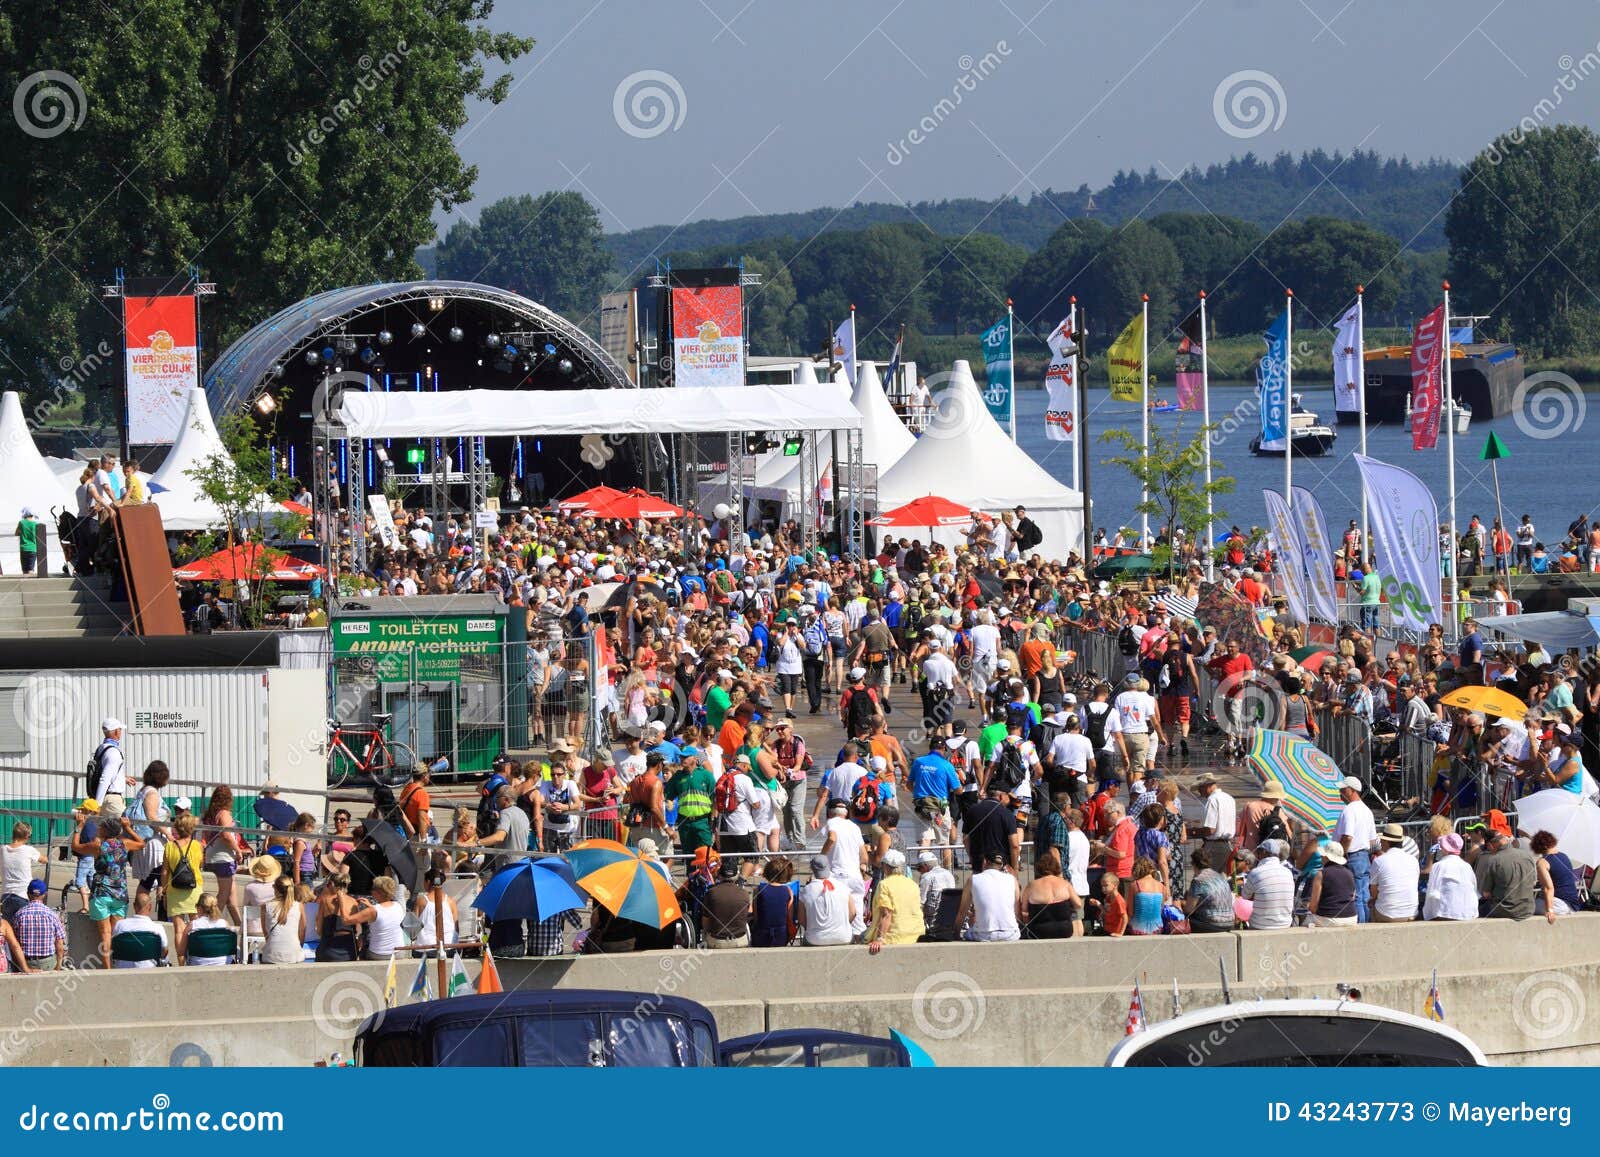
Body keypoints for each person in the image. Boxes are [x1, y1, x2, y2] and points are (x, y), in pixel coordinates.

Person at [73, 801, 145, 968]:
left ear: (105, 831)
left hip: (100, 893)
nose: (98, 828)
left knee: (105, 934)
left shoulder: (98, 846)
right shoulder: (124, 844)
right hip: (120, 893)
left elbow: (76, 846)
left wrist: (80, 826)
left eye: (101, 827)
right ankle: (119, 963)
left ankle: (108, 968)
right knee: (115, 934)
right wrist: (127, 828)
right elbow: (141, 844)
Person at [1332, 776, 1377, 921]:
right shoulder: (1367, 810)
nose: (1340, 793)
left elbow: (1348, 837)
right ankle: (1366, 925)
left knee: (1356, 897)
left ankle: (1361, 928)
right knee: (1363, 896)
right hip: (1363, 856)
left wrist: (1340, 855)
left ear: (1350, 790)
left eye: (1342, 789)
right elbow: (1372, 840)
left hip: (1352, 856)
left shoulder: (1349, 810)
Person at [162, 813, 206, 961]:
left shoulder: (169, 846)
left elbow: (164, 871)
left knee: (178, 928)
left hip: (174, 890)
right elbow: (199, 865)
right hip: (194, 889)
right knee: (196, 923)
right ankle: (196, 957)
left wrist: (164, 890)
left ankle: (181, 961)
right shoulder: (197, 845)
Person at [957, 852, 1021, 941]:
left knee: (967, 932)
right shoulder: (1012, 879)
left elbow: (962, 912)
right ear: (1001, 864)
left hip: (984, 935)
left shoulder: (973, 879)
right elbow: (1017, 911)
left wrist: (955, 934)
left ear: (984, 862)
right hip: (1011, 934)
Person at [1475, 829, 1537, 920]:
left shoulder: (1494, 860)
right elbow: (1534, 882)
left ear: (1490, 845)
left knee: (1476, 910)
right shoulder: (1527, 856)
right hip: (1528, 909)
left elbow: (1486, 893)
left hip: (1504, 910)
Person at [1021, 848, 1082, 939]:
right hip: (1065, 930)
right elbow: (1078, 904)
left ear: (1038, 868)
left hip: (1039, 931)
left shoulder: (1031, 886)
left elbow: (1024, 911)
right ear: (1056, 868)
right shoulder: (1065, 883)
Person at [797, 856, 856, 946]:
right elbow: (853, 913)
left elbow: (801, 919)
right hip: (843, 937)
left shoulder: (806, 890)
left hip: (815, 939)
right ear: (828, 867)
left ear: (812, 870)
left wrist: (812, 928)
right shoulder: (843, 887)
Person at [347, 875, 407, 959]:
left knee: (364, 940)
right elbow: (385, 914)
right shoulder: (399, 906)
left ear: (379, 892)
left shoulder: (373, 910)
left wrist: (341, 898)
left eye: (373, 889)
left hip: (379, 954)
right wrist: (371, 906)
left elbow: (347, 920)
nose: (371, 891)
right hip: (399, 952)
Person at [1369, 824, 1420, 922]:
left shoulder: (1379, 861)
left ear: (1386, 842)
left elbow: (1373, 892)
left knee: (1371, 904)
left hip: (1387, 914)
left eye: (1382, 840)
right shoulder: (1413, 860)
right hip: (1412, 912)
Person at [12, 879, 66, 971]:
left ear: (28, 894)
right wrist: (58, 966)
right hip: (48, 962)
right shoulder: (52, 915)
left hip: (26, 962)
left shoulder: (19, 914)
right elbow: (59, 944)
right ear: (45, 894)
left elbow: (14, 944)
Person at [1422, 833, 1478, 920]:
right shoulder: (1466, 866)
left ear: (1445, 849)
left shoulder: (1438, 866)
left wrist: (1428, 915)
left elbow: (1431, 892)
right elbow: (1473, 888)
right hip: (1466, 912)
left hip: (1444, 913)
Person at [1241, 840, 1295, 929]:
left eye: (1258, 851)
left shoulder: (1256, 873)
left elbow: (1244, 897)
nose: (1257, 855)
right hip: (1285, 924)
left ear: (1264, 852)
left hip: (1260, 924)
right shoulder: (1288, 872)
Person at [1182, 847, 1236, 933]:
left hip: (1211, 924)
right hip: (1229, 922)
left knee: (1180, 918)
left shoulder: (1198, 880)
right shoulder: (1221, 877)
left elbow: (1189, 910)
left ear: (1194, 864)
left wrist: (1183, 904)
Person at [1530, 830, 1581, 921]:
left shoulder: (1542, 862)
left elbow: (1548, 888)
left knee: (1524, 907)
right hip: (1573, 905)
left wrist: (1550, 910)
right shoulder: (1564, 856)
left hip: (1559, 905)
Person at [701, 859, 752, 948]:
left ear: (719, 875)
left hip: (716, 941)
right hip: (740, 940)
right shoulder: (744, 893)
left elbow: (705, 921)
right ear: (737, 876)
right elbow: (749, 914)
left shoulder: (711, 893)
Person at [1306, 841, 1358, 928]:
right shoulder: (1350, 873)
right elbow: (1352, 896)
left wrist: (1308, 906)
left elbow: (1313, 907)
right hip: (1352, 918)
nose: (1321, 857)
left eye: (1323, 855)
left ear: (1327, 857)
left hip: (1330, 919)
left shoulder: (1321, 874)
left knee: (1305, 921)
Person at [110, 891, 168, 967]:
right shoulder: (158, 928)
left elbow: (114, 946)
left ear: (134, 906)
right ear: (150, 907)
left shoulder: (120, 925)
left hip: (123, 969)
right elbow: (165, 951)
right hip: (149, 969)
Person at [1192, 773, 1235, 872]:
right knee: (1223, 877)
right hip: (1227, 845)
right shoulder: (1229, 798)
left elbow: (1210, 830)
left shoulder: (1212, 800)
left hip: (1214, 846)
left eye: (1200, 787)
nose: (1199, 791)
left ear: (1207, 786)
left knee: (1207, 876)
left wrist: (1192, 832)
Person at [0, 821, 41, 923]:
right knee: (23, 928)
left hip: (6, 895)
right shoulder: (29, 850)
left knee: (8, 929)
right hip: (23, 895)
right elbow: (44, 859)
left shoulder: (3, 849)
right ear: (27, 836)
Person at [262, 875, 307, 964]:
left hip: (271, 955)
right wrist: (298, 947)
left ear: (275, 888)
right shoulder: (299, 906)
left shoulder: (265, 906)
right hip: (294, 955)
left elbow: (266, 932)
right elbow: (302, 931)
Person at [751, 858, 796, 947]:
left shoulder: (758, 890)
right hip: (781, 936)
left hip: (761, 935)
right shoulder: (788, 891)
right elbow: (789, 918)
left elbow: (756, 917)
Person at [89, 717, 127, 812]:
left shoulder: (102, 748)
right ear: (116, 732)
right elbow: (105, 778)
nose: (121, 732)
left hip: (107, 798)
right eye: (120, 730)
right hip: (112, 801)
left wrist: (123, 779)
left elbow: (104, 771)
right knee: (125, 826)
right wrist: (97, 805)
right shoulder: (113, 752)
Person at [186, 894, 233, 965]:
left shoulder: (193, 925)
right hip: (223, 964)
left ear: (200, 908)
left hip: (198, 964)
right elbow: (231, 946)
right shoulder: (225, 924)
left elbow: (181, 951)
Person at [915, 850, 956, 927]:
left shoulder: (927, 877)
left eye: (919, 868)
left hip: (934, 913)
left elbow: (920, 901)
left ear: (925, 866)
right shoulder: (949, 874)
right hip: (950, 910)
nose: (919, 871)